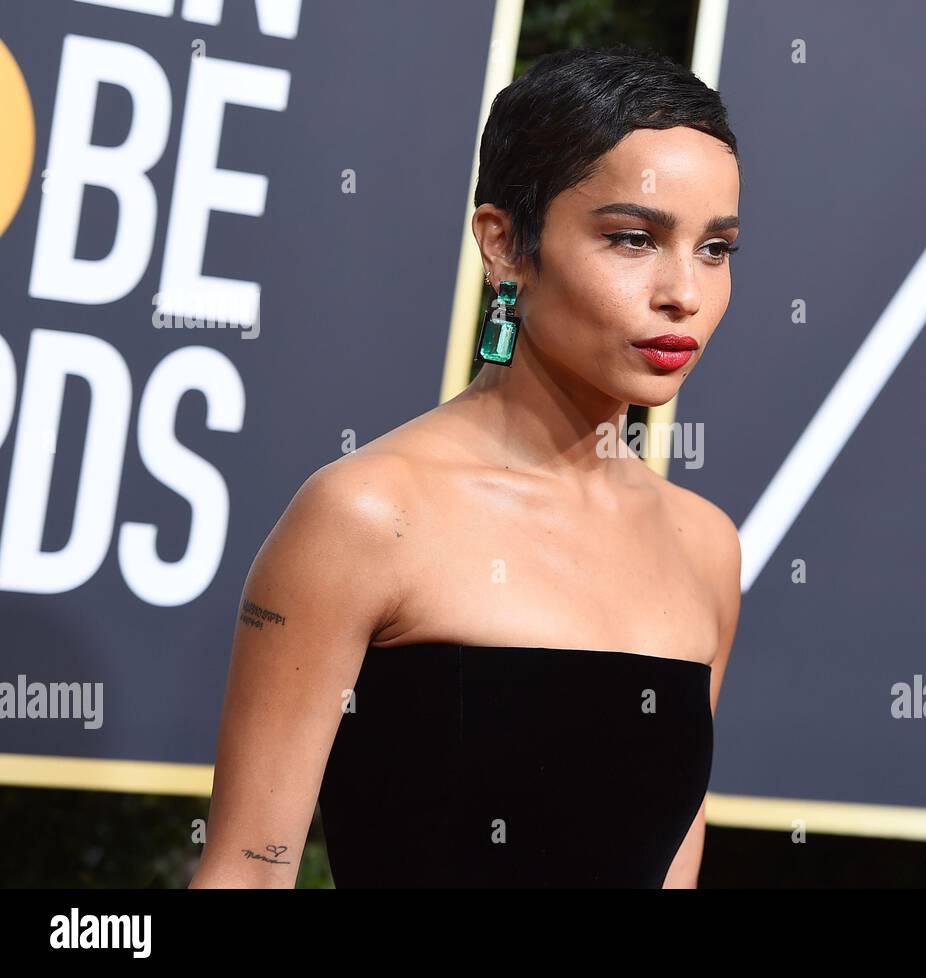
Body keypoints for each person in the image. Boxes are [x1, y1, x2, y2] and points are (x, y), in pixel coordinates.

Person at [189, 44, 743, 889]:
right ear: (504, 246)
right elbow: (246, 873)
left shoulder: (705, 548)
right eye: (633, 239)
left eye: (715, 249)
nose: (685, 293)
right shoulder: (367, 514)